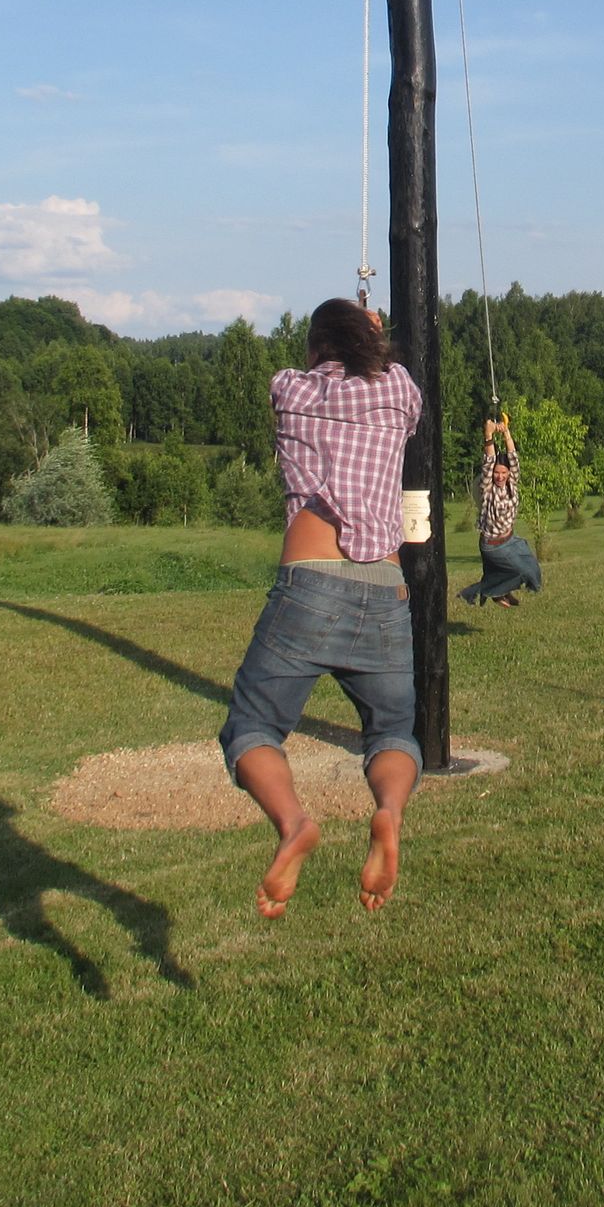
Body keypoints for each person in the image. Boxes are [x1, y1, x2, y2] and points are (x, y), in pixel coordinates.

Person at [217, 299, 425, 917]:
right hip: (384, 589)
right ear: (369, 341)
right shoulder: (398, 393)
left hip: (308, 586)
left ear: (313, 349)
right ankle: (387, 813)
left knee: (252, 727)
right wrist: (377, 332)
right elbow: (388, 374)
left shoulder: (289, 391)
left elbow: (303, 379)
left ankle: (292, 824)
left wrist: (353, 334)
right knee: (392, 734)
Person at [458, 416, 540, 607]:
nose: (500, 476)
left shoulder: (512, 482)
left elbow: (512, 455)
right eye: (497, 472)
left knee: (534, 570)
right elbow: (489, 460)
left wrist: (506, 433)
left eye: (504, 472)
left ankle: (501, 591)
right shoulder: (487, 487)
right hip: (494, 545)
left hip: (511, 539)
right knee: (522, 572)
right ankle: (492, 592)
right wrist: (488, 435)